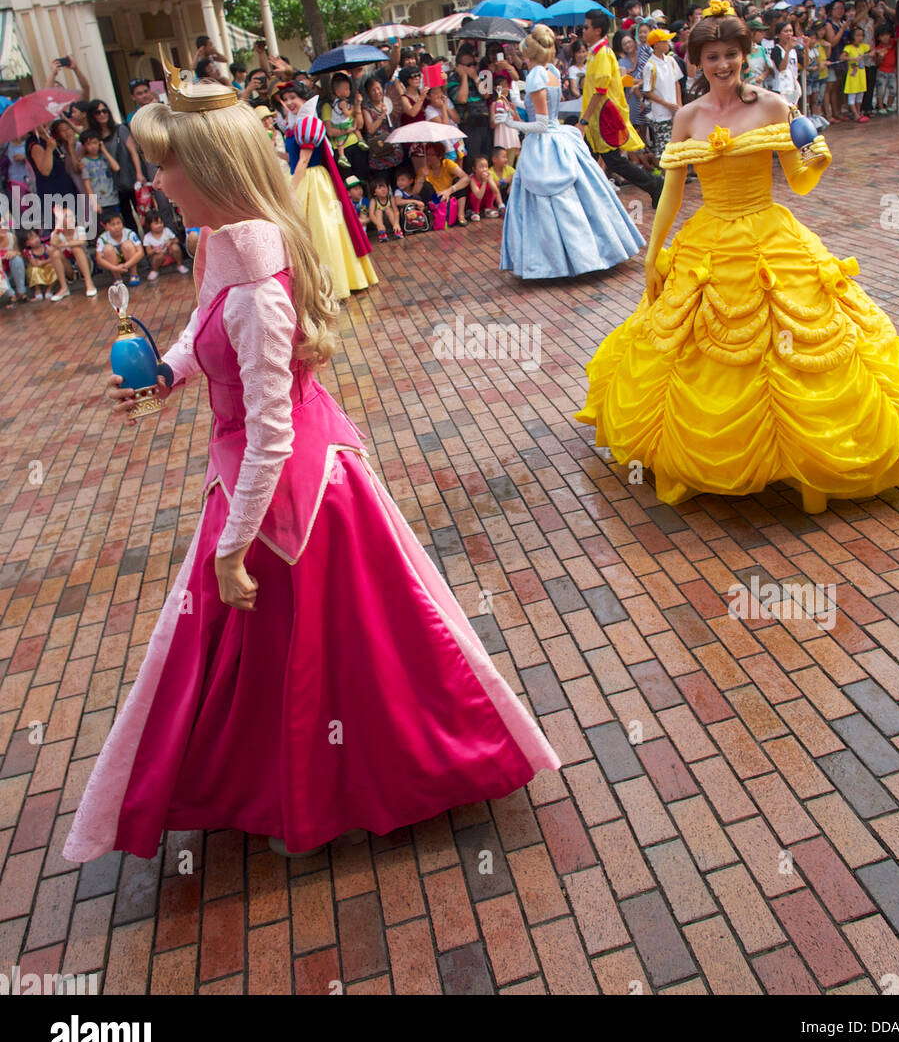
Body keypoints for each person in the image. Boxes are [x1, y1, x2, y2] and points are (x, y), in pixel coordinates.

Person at [61, 74, 561, 865]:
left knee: (323, 646)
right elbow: (201, 323)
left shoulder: (259, 285)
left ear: (210, 170)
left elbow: (271, 435)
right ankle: (286, 785)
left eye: (164, 167)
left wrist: (231, 546)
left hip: (291, 491)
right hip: (273, 480)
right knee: (300, 647)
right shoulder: (224, 240)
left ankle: (351, 781)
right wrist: (167, 371)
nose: (152, 183)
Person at [575, 0, 899, 514]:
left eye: (731, 53)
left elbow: (798, 182)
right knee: (691, 344)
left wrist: (816, 157)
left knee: (803, 340)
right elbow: (672, 190)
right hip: (710, 239)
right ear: (697, 61)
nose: (722, 64)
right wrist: (653, 252)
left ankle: (814, 459)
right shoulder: (687, 117)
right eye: (711, 56)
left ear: (744, 55)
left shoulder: (774, 107)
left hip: (770, 232)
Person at [499, 24, 644, 280]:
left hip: (543, 144)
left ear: (528, 54)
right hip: (560, 138)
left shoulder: (534, 76)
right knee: (583, 198)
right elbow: (545, 109)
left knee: (551, 205)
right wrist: (518, 107)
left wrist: (511, 123)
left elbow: (541, 124)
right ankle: (591, 253)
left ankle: (558, 262)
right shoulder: (551, 71)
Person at [286, 109, 378, 300]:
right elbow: (295, 159)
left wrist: (290, 191)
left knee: (322, 230)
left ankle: (331, 284)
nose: (289, 102)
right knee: (316, 230)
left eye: (293, 97)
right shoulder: (295, 125)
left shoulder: (308, 124)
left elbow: (304, 160)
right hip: (303, 178)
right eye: (285, 99)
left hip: (312, 183)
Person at [580, 10, 662, 203]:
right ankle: (652, 185)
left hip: (604, 118)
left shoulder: (602, 54)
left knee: (612, 160)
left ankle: (653, 184)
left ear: (597, 30)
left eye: (586, 27)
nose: (583, 31)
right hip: (598, 118)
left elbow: (600, 90)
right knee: (608, 159)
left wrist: (584, 120)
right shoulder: (596, 53)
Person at [86, 99, 144, 231]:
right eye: (98, 112)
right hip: (113, 184)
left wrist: (139, 173)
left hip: (130, 176)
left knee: (142, 212)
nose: (102, 114)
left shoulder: (120, 129)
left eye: (104, 111)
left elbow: (133, 151)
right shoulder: (94, 137)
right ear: (92, 115)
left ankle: (147, 243)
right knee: (126, 216)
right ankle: (136, 242)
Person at [641, 28, 683, 155]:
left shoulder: (670, 60)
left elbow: (676, 82)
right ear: (657, 44)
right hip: (661, 112)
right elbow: (647, 92)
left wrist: (679, 104)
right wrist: (666, 104)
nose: (667, 44)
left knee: (677, 144)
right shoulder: (650, 66)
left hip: (675, 109)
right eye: (664, 41)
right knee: (664, 148)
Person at [49, 203, 98, 297]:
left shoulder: (79, 229)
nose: (71, 218)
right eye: (66, 217)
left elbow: (81, 241)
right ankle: (64, 288)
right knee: (55, 253)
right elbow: (53, 243)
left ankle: (89, 283)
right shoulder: (58, 233)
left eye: (72, 216)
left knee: (76, 249)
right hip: (69, 269)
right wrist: (58, 224)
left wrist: (64, 244)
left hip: (85, 264)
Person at [78, 128, 120, 218]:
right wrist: (94, 203)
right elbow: (87, 185)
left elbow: (116, 167)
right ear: (84, 146)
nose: (93, 146)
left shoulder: (104, 158)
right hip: (99, 201)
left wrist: (104, 150)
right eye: (89, 144)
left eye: (95, 143)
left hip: (112, 198)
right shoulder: (84, 162)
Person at [95, 212, 144, 285]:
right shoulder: (102, 239)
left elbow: (140, 252)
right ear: (105, 226)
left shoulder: (129, 233)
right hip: (114, 264)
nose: (116, 227)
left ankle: (134, 275)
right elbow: (99, 259)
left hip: (129, 261)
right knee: (107, 249)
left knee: (127, 245)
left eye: (118, 223)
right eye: (113, 224)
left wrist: (126, 265)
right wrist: (115, 268)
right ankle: (117, 278)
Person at [23, 230, 70, 302]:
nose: (35, 240)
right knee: (32, 269)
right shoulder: (28, 252)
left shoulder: (47, 246)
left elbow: (53, 258)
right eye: (32, 239)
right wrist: (48, 260)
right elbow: (35, 264)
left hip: (49, 268)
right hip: (40, 270)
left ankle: (50, 289)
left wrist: (43, 262)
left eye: (36, 237)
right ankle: (37, 290)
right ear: (27, 244)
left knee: (56, 267)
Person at [142, 211, 190, 279]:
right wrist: (155, 251)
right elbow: (148, 252)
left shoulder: (167, 231)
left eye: (161, 222)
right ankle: (155, 270)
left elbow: (177, 240)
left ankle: (180, 265)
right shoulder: (147, 237)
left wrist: (171, 241)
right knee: (159, 256)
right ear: (149, 225)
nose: (160, 225)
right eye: (156, 223)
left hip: (170, 254)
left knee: (175, 247)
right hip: (159, 258)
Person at [842, 25, 872, 122]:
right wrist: (852, 58)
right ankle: (855, 114)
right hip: (852, 76)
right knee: (852, 96)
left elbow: (872, 49)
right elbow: (842, 57)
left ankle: (858, 113)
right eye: (857, 35)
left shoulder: (863, 46)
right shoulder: (848, 48)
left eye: (862, 36)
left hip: (861, 75)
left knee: (860, 95)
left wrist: (872, 53)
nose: (860, 38)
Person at [466, 154, 504, 220]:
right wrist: (484, 182)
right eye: (481, 167)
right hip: (474, 205)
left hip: (484, 203)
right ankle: (475, 212)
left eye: (486, 167)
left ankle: (488, 210)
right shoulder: (472, 178)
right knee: (475, 193)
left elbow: (496, 191)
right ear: (474, 169)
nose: (484, 169)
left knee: (491, 187)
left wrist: (489, 180)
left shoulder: (489, 176)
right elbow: (478, 196)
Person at [873, 26, 898, 115]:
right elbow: (877, 63)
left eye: (887, 35)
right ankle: (880, 107)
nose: (885, 37)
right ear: (879, 37)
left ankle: (889, 105)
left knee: (894, 90)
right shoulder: (878, 48)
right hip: (882, 71)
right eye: (882, 35)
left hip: (892, 71)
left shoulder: (893, 42)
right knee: (881, 90)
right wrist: (880, 57)